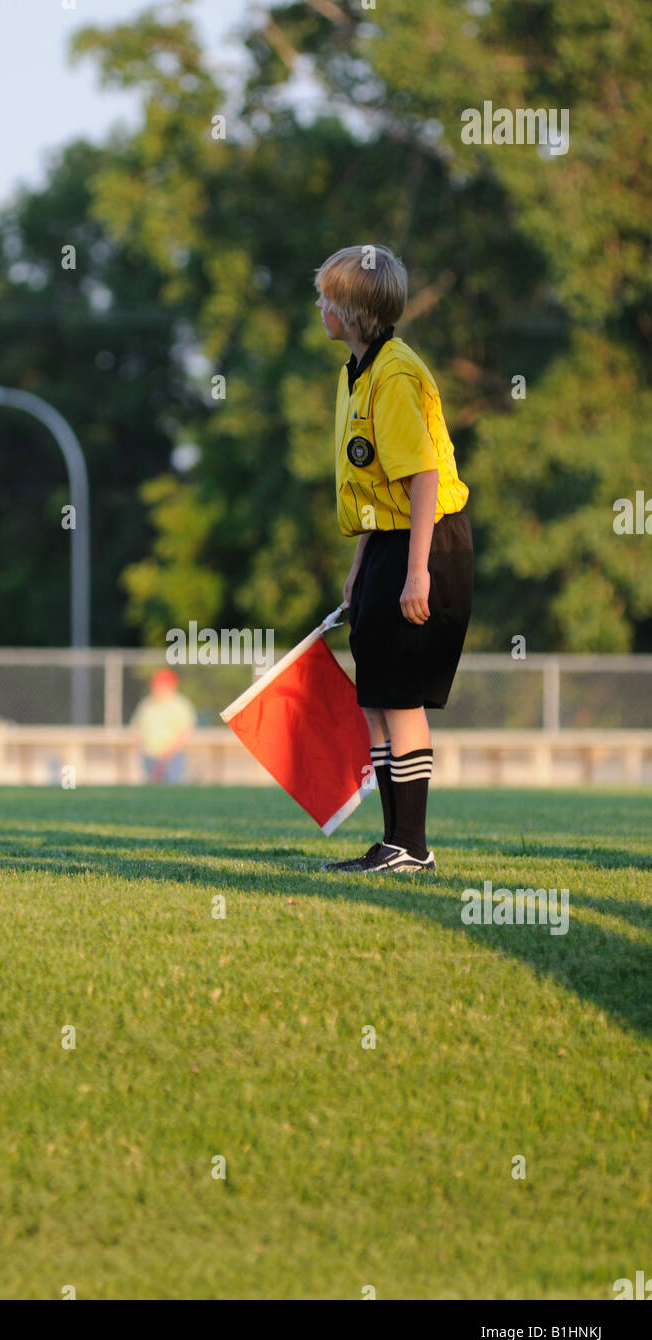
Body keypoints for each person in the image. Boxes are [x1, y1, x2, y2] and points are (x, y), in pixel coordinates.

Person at [315, 244, 473, 873]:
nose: (320, 305)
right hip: (388, 540)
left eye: (329, 296)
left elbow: (424, 476)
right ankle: (394, 842)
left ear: (353, 310)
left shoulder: (396, 372)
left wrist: (416, 572)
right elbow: (374, 483)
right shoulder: (357, 370)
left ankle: (412, 846)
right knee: (376, 697)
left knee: (400, 696)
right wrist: (361, 565)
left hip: (428, 540)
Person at [130, 669, 196, 784]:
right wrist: (141, 749)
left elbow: (186, 732)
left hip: (172, 757)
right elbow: (136, 728)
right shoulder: (146, 704)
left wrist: (169, 753)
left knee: (173, 787)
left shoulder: (179, 705)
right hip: (149, 755)